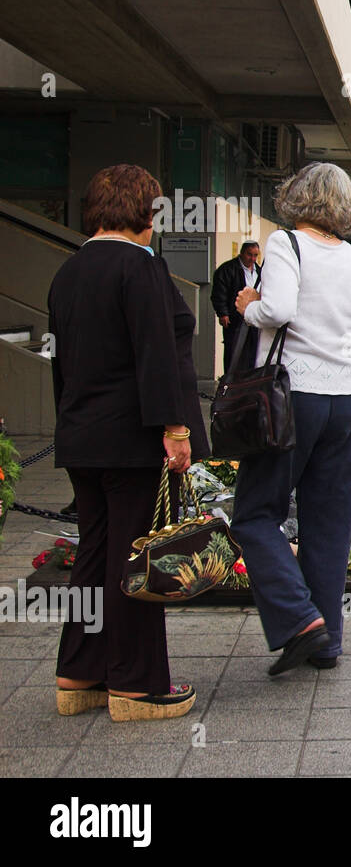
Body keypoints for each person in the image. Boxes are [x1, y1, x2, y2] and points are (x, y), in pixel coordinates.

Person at [48, 164, 209, 721]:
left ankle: (81, 670)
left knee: (91, 555)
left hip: (81, 434)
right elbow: (156, 352)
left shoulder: (68, 271)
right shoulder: (140, 268)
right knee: (134, 557)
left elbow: (63, 365)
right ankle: (137, 685)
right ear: (145, 212)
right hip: (132, 436)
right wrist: (176, 428)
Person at [230, 162, 351, 675]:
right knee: (329, 523)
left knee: (253, 513)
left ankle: (299, 619)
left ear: (296, 198)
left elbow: (278, 309)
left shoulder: (284, 244)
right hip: (343, 398)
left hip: (292, 397)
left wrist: (249, 304)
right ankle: (326, 641)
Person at [211, 240, 262, 375]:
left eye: (255, 255)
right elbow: (219, 293)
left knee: (253, 353)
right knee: (234, 353)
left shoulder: (259, 271)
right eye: (249, 255)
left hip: (254, 320)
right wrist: (223, 313)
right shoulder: (227, 269)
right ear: (242, 253)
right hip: (235, 318)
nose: (252, 259)